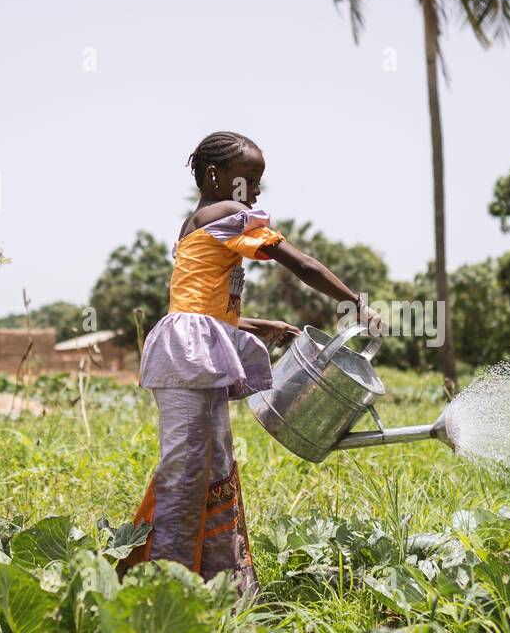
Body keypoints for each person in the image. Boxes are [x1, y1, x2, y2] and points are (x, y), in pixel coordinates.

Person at [120, 130, 381, 596]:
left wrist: (256, 325)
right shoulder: (229, 213)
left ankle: (217, 581)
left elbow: (200, 304)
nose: (256, 192)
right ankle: (162, 586)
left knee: (213, 465)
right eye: (249, 179)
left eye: (260, 182)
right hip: (189, 355)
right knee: (186, 468)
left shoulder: (197, 221)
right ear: (215, 176)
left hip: (190, 350)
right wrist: (354, 301)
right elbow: (299, 263)